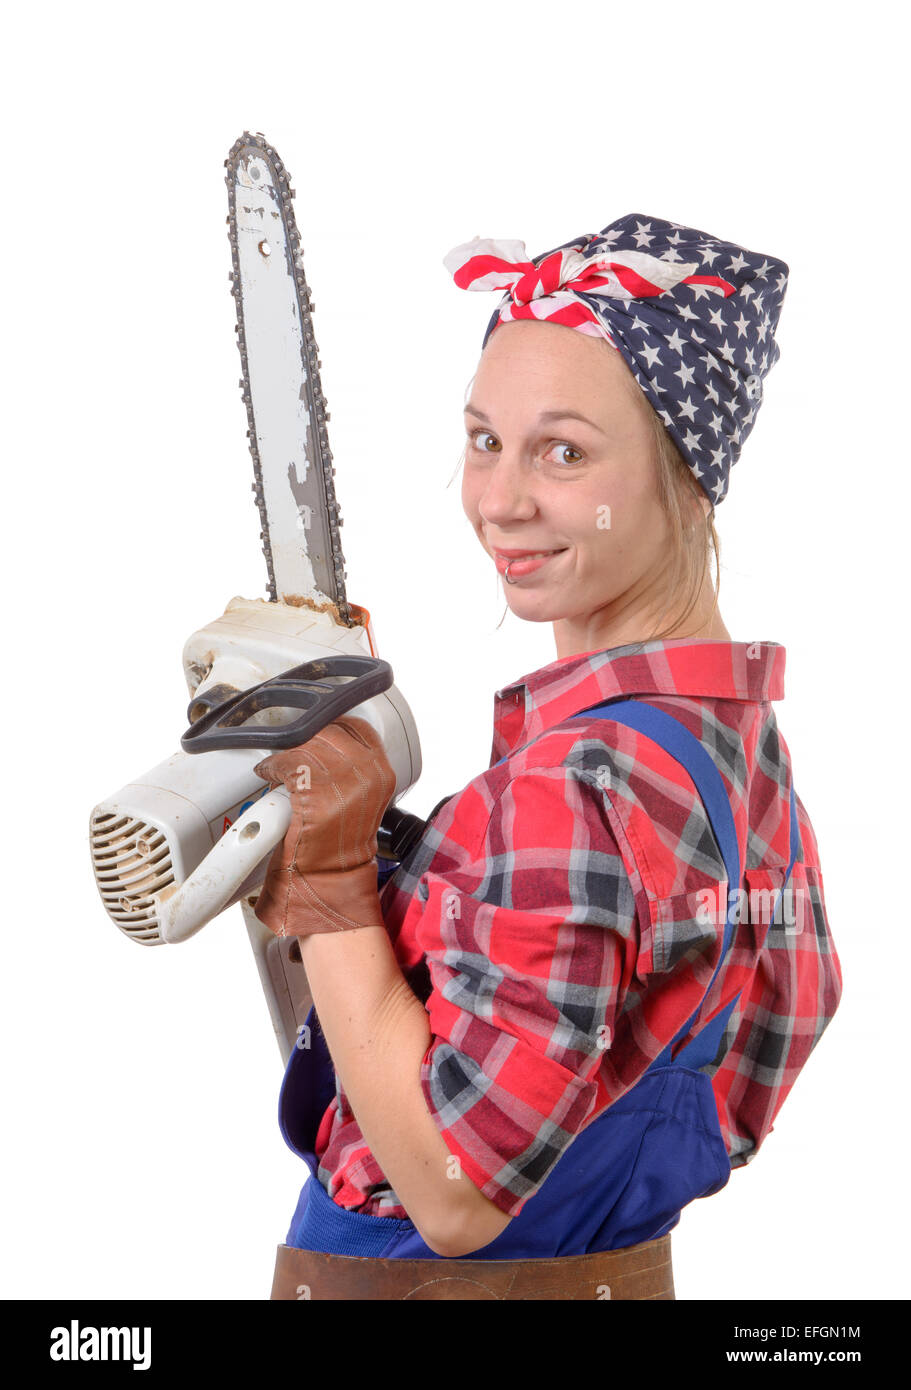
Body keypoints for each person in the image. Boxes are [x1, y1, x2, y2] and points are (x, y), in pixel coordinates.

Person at [252, 214, 842, 1301]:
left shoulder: (575, 784)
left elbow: (453, 1192)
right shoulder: (738, 749)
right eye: (484, 440)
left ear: (683, 471)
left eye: (562, 452)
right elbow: (737, 1062)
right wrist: (385, 898)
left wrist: (331, 887)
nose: (498, 499)